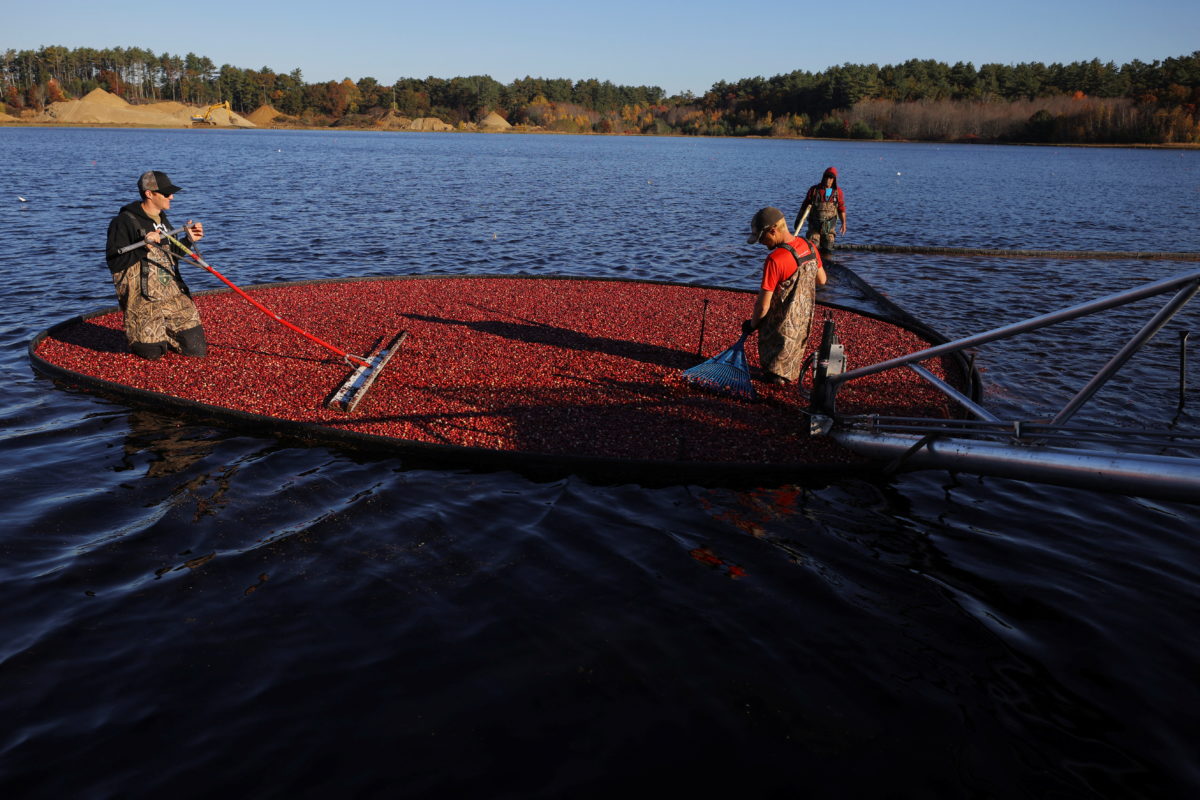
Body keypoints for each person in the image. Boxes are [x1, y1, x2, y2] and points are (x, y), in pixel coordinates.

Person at [105, 171, 207, 360]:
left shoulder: (163, 221)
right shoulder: (123, 222)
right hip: (143, 302)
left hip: (173, 296)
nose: (172, 197)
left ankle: (166, 331)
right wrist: (144, 246)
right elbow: (115, 263)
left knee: (196, 349)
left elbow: (170, 258)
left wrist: (188, 240)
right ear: (149, 194)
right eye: (166, 194)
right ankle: (146, 334)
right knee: (151, 354)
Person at [742, 206, 827, 384]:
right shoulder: (810, 246)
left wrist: (752, 324)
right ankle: (784, 380)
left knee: (773, 370)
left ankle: (774, 381)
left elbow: (763, 305)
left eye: (761, 238)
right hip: (802, 323)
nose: (761, 243)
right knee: (789, 367)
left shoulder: (775, 259)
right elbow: (821, 279)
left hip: (780, 328)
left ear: (773, 231)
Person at [794, 166, 846, 257]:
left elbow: (841, 208)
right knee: (813, 247)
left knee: (829, 245)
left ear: (834, 180)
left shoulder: (838, 192)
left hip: (829, 228)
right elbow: (804, 206)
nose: (828, 180)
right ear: (823, 177)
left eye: (831, 178)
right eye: (826, 177)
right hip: (814, 227)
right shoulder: (814, 190)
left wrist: (843, 223)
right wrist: (798, 220)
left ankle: (827, 265)